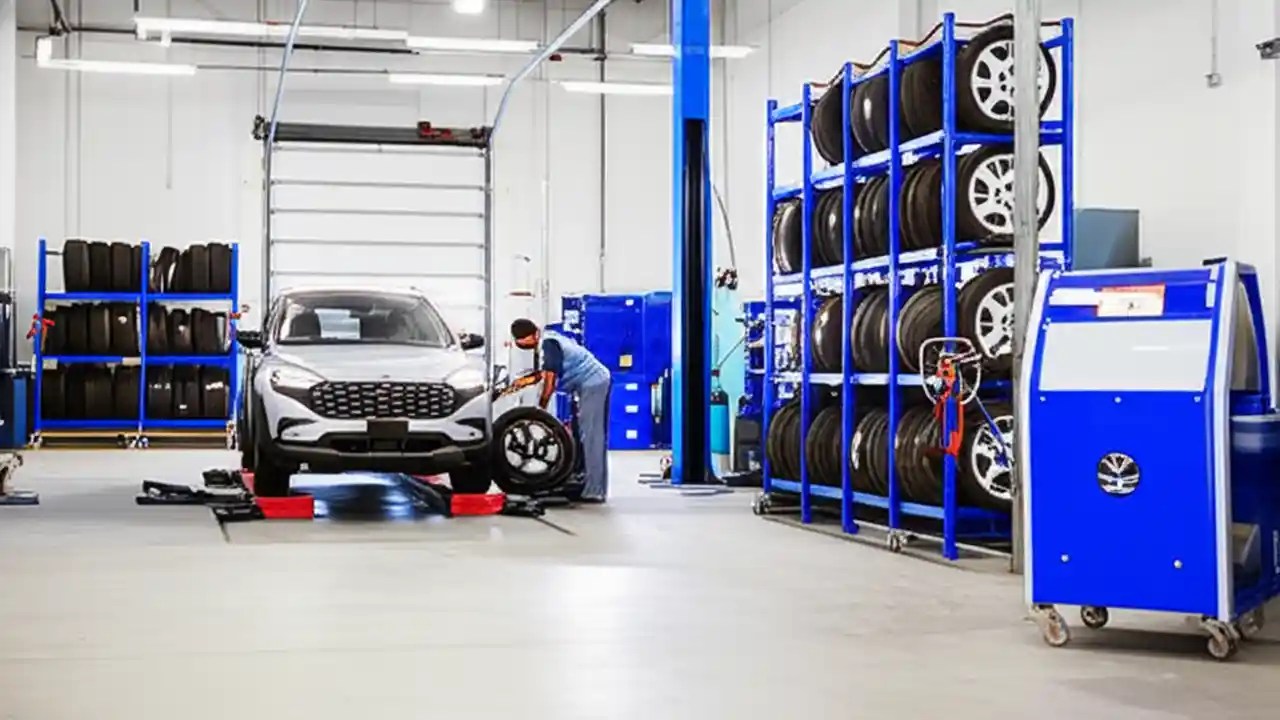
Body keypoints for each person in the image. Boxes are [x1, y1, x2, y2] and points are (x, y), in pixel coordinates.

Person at [510, 319, 612, 503]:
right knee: (578, 432)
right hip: (583, 386)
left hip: (594, 382)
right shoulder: (545, 342)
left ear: (532, 335)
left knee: (591, 435)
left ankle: (594, 490)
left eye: (521, 341)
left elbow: (550, 382)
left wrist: (539, 410)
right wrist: (517, 384)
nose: (520, 345)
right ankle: (579, 477)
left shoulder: (549, 344)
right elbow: (541, 374)